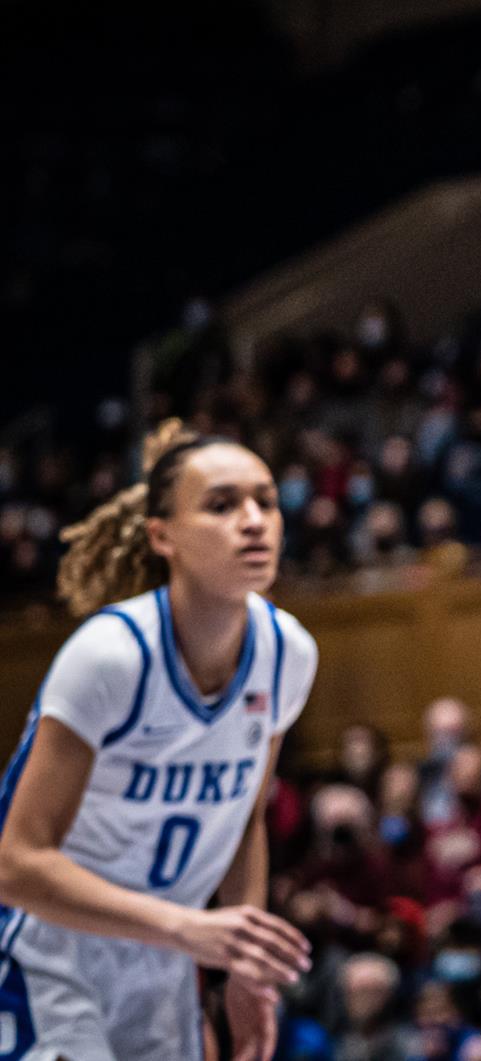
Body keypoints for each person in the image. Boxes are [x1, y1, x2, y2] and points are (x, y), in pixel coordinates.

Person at [0, 421, 319, 1061]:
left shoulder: (288, 654)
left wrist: (245, 967)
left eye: (266, 501)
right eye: (223, 505)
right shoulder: (110, 658)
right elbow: (15, 866)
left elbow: (246, 816)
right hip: (47, 952)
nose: (254, 521)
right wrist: (190, 927)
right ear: (161, 535)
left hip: (168, 956)